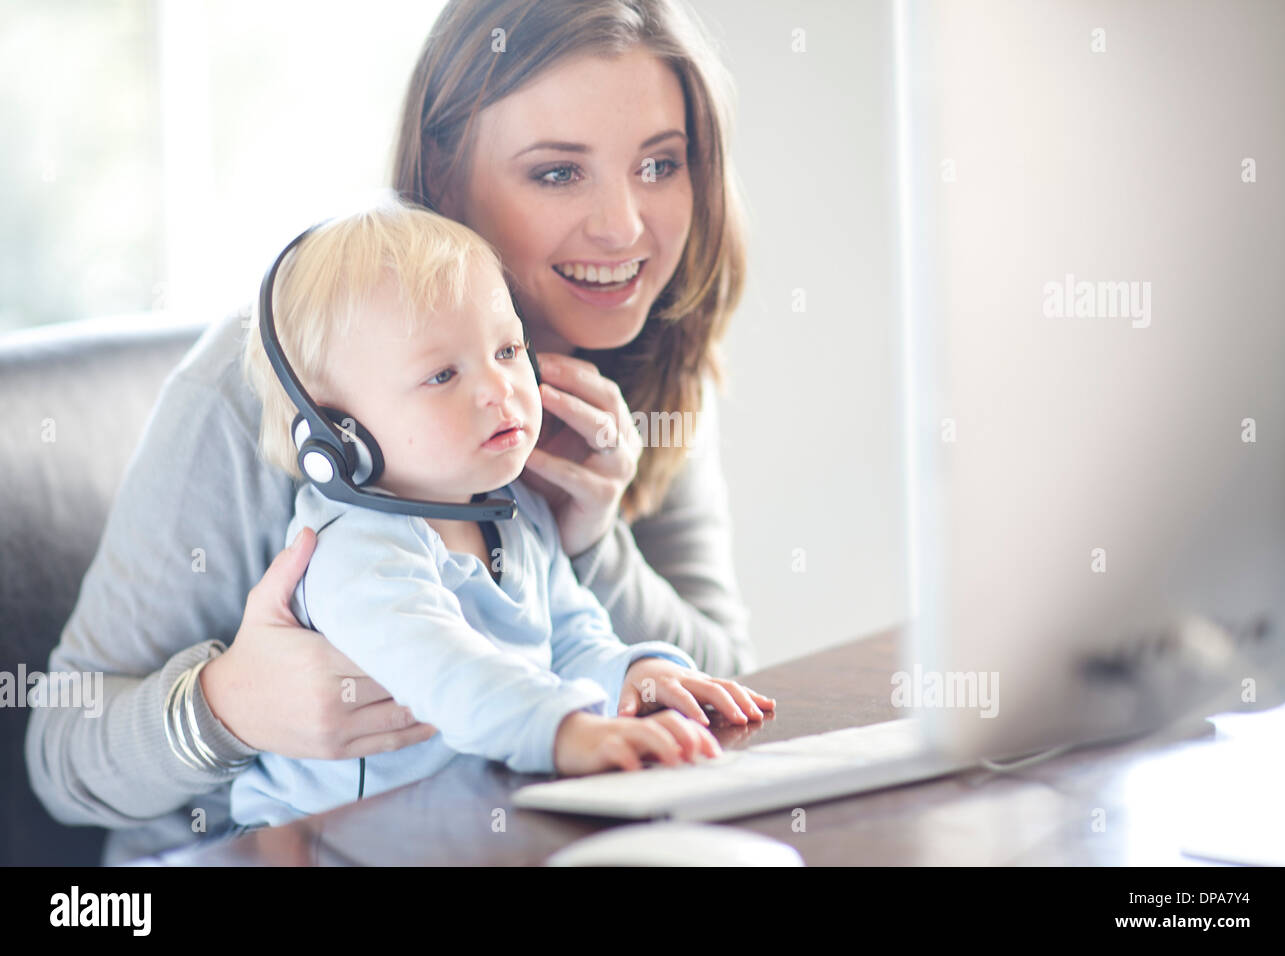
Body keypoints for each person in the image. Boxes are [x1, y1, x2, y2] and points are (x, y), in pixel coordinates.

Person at [26, 0, 755, 863]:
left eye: (660, 164)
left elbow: (726, 680)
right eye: (558, 172)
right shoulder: (267, 381)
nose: (625, 227)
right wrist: (225, 706)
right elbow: (61, 761)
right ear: (442, 174)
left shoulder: (634, 354)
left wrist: (588, 546)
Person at [232, 200, 770, 827]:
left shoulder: (513, 512)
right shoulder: (353, 552)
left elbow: (568, 636)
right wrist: (565, 730)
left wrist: (636, 673)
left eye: (509, 349)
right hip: (316, 841)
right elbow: (448, 671)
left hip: (461, 816)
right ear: (335, 431)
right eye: (442, 375)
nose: (499, 388)